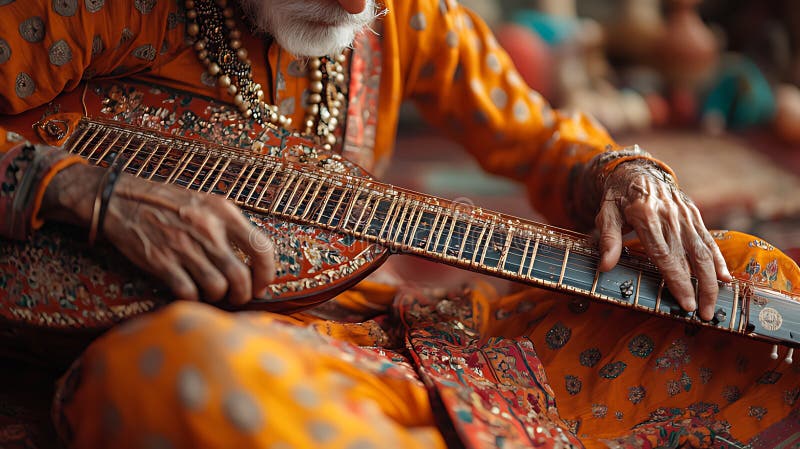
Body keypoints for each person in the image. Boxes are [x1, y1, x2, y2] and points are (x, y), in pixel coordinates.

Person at [0, 0, 796, 448]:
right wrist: (81, 192)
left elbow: (543, 140)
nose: (356, 4)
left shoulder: (410, 16)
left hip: (389, 343)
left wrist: (626, 173)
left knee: (737, 285)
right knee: (174, 374)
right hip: (221, 354)